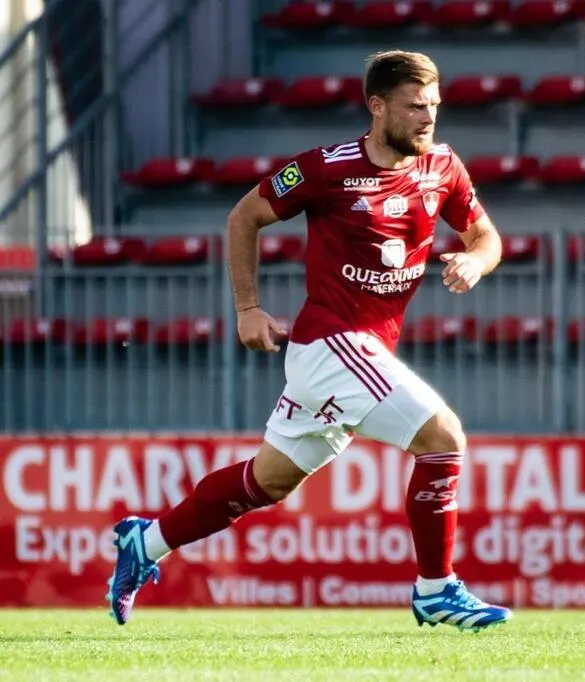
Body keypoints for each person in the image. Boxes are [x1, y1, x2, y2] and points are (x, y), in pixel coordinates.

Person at [106, 50, 511, 632]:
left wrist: (476, 260)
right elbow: (244, 216)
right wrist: (248, 308)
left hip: (364, 352)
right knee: (443, 438)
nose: (428, 118)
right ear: (377, 107)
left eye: (434, 106)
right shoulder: (326, 169)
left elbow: (486, 236)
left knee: (268, 480)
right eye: (414, 106)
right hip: (331, 343)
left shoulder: (443, 166)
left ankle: (146, 542)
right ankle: (436, 590)